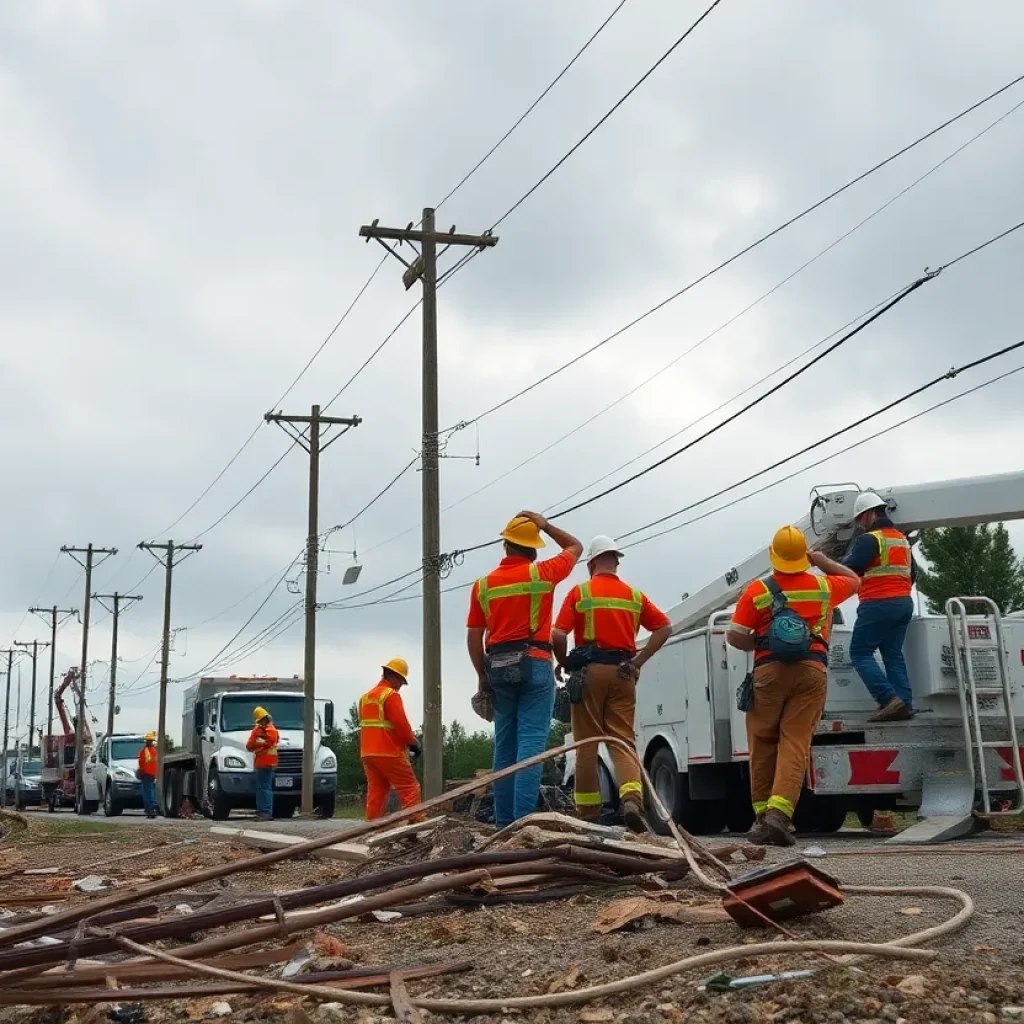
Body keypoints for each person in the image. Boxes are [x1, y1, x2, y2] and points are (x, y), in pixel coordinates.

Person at [726, 525, 860, 846]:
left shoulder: (757, 590)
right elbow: (856, 581)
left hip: (768, 672)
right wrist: (823, 561)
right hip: (812, 671)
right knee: (795, 742)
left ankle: (762, 818)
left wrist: (759, 641)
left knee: (762, 741)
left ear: (774, 556)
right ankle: (779, 816)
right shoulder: (825, 586)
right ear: (803, 556)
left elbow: (733, 635)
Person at [467, 511, 583, 829]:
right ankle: (523, 823)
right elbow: (575, 547)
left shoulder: (483, 586)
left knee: (504, 745)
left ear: (505, 546)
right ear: (532, 549)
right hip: (535, 663)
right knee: (531, 744)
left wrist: (482, 676)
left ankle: (503, 823)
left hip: (498, 668)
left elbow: (474, 636)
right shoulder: (541, 573)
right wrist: (545, 524)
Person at [552, 535, 672, 833]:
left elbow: (557, 635)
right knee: (622, 741)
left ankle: (589, 814)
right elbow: (665, 627)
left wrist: (565, 662)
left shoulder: (580, 593)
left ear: (591, 562)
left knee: (587, 746)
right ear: (615, 561)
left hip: (590, 674)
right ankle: (631, 799)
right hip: (623, 674)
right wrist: (637, 663)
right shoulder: (633, 595)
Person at [843, 492, 917, 722]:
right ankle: (903, 703)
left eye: (859, 519)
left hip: (878, 603)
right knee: (893, 654)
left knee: (860, 652)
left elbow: (848, 570)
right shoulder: (902, 540)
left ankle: (888, 699)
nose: (859, 525)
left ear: (869, 515)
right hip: (903, 603)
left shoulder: (870, 540)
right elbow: (911, 574)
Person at [359, 657, 424, 821]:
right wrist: (413, 743)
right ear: (393, 676)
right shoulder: (390, 696)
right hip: (389, 752)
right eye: (401, 681)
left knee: (377, 790)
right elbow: (401, 724)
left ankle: (373, 828)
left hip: (368, 753)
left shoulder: (365, 698)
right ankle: (415, 827)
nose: (401, 686)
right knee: (409, 787)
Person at [246, 706, 279, 821]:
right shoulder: (273, 730)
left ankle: (265, 812)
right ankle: (263, 811)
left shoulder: (261, 730)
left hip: (263, 762)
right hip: (268, 763)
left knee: (264, 788)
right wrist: (262, 743)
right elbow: (251, 745)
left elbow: (250, 745)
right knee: (264, 788)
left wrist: (259, 742)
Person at [137, 732, 158, 819]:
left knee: (146, 792)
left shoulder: (145, 751)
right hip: (152, 774)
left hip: (146, 774)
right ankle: (152, 808)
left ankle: (150, 809)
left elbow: (142, 762)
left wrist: (140, 771)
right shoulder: (154, 751)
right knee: (151, 791)